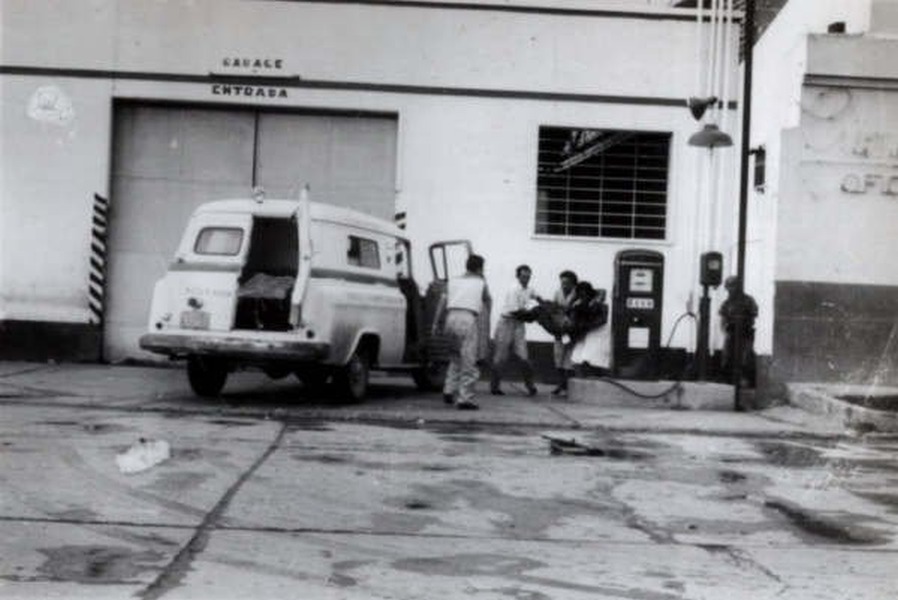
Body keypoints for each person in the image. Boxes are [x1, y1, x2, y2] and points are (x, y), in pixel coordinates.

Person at [434, 254, 491, 410]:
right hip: (467, 318)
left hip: (450, 318)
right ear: (479, 268)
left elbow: (442, 302)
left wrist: (436, 323)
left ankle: (448, 390)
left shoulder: (452, 281)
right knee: (469, 360)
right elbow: (487, 301)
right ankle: (465, 398)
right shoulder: (481, 283)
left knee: (455, 357)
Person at [490, 264, 541, 396]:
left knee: (524, 357)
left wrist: (543, 305)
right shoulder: (513, 289)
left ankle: (530, 386)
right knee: (500, 357)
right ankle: (494, 386)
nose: (526, 279)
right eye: (524, 276)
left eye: (528, 276)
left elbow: (537, 297)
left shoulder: (530, 289)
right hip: (506, 323)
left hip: (519, 325)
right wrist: (533, 315)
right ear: (518, 276)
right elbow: (516, 311)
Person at [719, 276, 758, 387]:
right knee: (727, 356)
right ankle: (729, 379)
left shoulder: (748, 300)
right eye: (729, 287)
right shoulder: (727, 303)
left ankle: (745, 379)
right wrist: (725, 331)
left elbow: (753, 316)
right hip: (732, 332)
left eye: (733, 286)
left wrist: (744, 322)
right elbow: (723, 319)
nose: (731, 289)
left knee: (746, 357)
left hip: (745, 333)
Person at [568, 281, 611, 377]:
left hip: (599, 333)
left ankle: (598, 379)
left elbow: (602, 320)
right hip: (585, 333)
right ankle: (582, 380)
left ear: (589, 293)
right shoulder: (578, 305)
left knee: (591, 358)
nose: (583, 297)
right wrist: (572, 301)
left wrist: (585, 326)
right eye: (580, 295)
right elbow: (571, 315)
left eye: (584, 294)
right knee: (576, 358)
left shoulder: (600, 304)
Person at [551, 270, 578, 396]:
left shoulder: (577, 294)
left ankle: (568, 387)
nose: (564, 285)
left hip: (572, 330)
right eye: (562, 283)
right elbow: (554, 309)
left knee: (569, 359)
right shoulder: (557, 292)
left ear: (573, 283)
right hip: (559, 330)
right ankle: (560, 385)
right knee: (558, 358)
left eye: (567, 283)